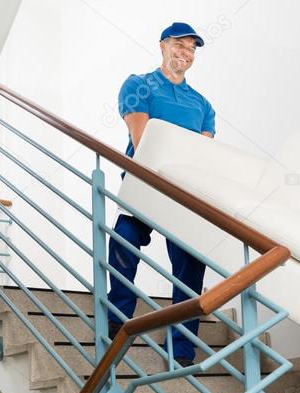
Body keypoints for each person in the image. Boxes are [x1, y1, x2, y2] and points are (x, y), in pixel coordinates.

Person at [106, 21, 216, 366]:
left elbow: (201, 154)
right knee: (125, 235)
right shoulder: (139, 85)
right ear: (163, 46)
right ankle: (117, 315)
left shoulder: (202, 104)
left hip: (182, 191)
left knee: (190, 262)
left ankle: (181, 349)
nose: (185, 52)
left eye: (192, 48)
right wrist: (158, 170)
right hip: (145, 178)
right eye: (179, 45)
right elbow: (142, 141)